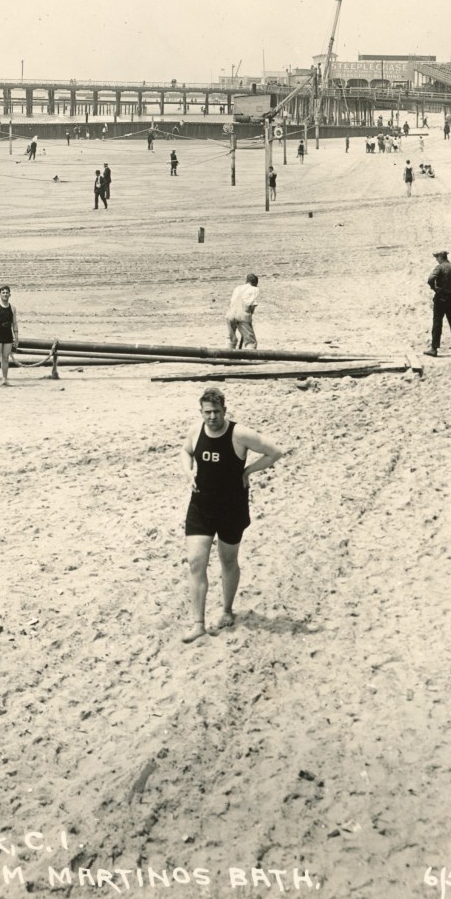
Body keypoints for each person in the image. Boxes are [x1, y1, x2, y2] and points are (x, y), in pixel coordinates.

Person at [179, 387, 285, 643]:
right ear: (201, 412)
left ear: (224, 411)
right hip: (201, 506)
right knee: (195, 561)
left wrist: (248, 471)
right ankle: (198, 624)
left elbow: (275, 452)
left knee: (228, 561)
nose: (212, 417)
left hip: (231, 508)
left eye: (216, 412)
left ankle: (227, 610)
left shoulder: (239, 434)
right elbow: (185, 451)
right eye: (207, 412)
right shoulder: (196, 431)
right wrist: (188, 472)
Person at [0, 285, 19, 387]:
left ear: (10, 295)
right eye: (3, 293)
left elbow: (14, 323)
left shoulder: (13, 308)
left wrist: (16, 337)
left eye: (7, 293)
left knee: (5, 359)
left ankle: (5, 379)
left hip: (8, 336)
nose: (5, 294)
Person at [226, 272, 259, 349]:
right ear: (255, 283)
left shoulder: (237, 288)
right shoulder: (254, 289)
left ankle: (229, 359)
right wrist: (249, 318)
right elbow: (252, 305)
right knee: (251, 342)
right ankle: (249, 360)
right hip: (242, 315)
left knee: (231, 340)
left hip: (229, 314)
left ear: (246, 281)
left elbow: (230, 302)